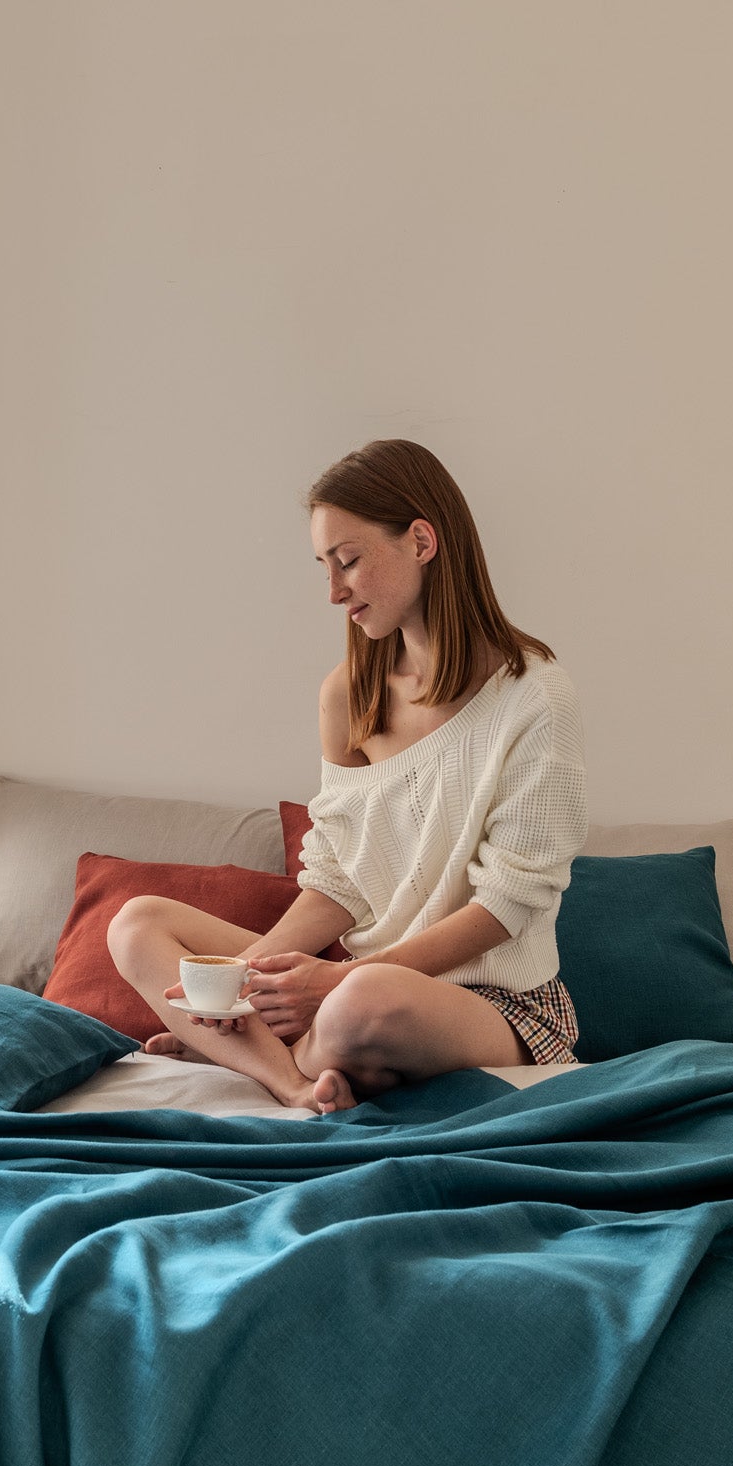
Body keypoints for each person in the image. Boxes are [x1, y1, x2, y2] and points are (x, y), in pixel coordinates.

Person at [107, 438, 587, 1114]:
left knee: (362, 1005)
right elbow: (339, 879)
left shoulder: (535, 697)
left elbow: (508, 902)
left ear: (421, 541)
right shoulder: (348, 694)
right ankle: (291, 1080)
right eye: (324, 567)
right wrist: (240, 983)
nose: (334, 592)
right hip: (354, 986)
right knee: (136, 922)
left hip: (490, 1003)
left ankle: (250, 1053)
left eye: (350, 562)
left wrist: (337, 981)